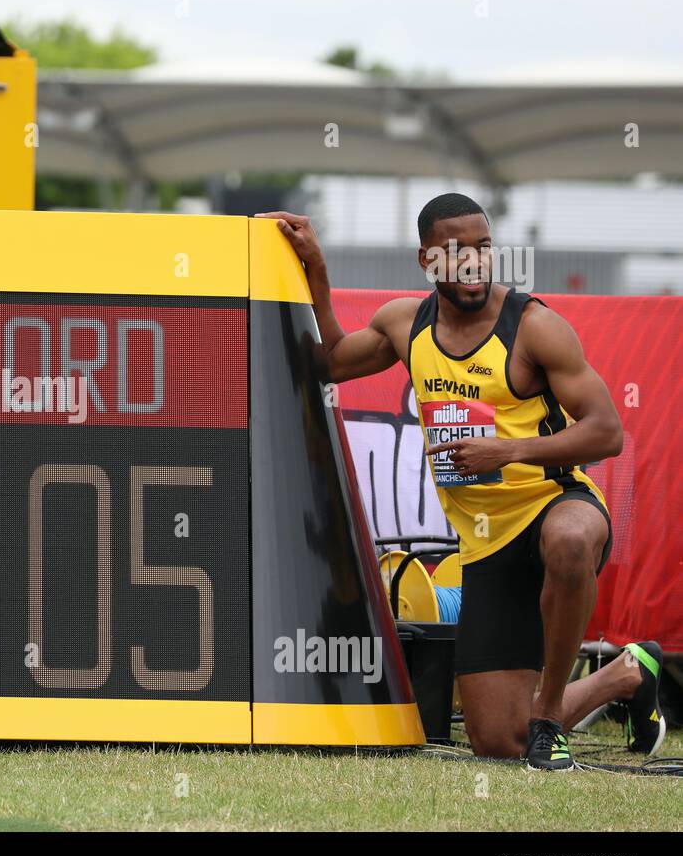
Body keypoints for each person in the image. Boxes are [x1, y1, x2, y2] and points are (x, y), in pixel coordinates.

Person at [259, 193, 665, 770]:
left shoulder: (535, 328)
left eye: (483, 248)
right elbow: (332, 362)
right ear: (427, 259)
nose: (472, 262)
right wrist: (317, 270)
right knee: (497, 744)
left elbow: (607, 433)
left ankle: (550, 721)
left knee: (570, 541)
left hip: (556, 506)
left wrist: (511, 448)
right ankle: (628, 673)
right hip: (486, 545)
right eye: (455, 251)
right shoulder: (406, 324)